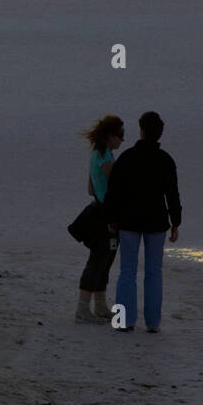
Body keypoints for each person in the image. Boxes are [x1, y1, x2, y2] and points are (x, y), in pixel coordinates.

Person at [103, 111, 181, 333]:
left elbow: (114, 192)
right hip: (156, 221)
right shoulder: (165, 160)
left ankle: (124, 320)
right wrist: (176, 222)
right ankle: (153, 322)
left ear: (142, 130)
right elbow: (172, 194)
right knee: (154, 271)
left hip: (129, 220)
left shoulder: (127, 158)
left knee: (127, 270)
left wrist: (111, 218)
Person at [74, 115, 124, 323]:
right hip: (107, 215)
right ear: (110, 136)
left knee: (104, 261)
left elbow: (89, 188)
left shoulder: (97, 155)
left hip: (100, 211)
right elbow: (117, 184)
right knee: (98, 261)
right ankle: (83, 309)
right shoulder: (106, 158)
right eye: (120, 136)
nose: (122, 140)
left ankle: (100, 306)